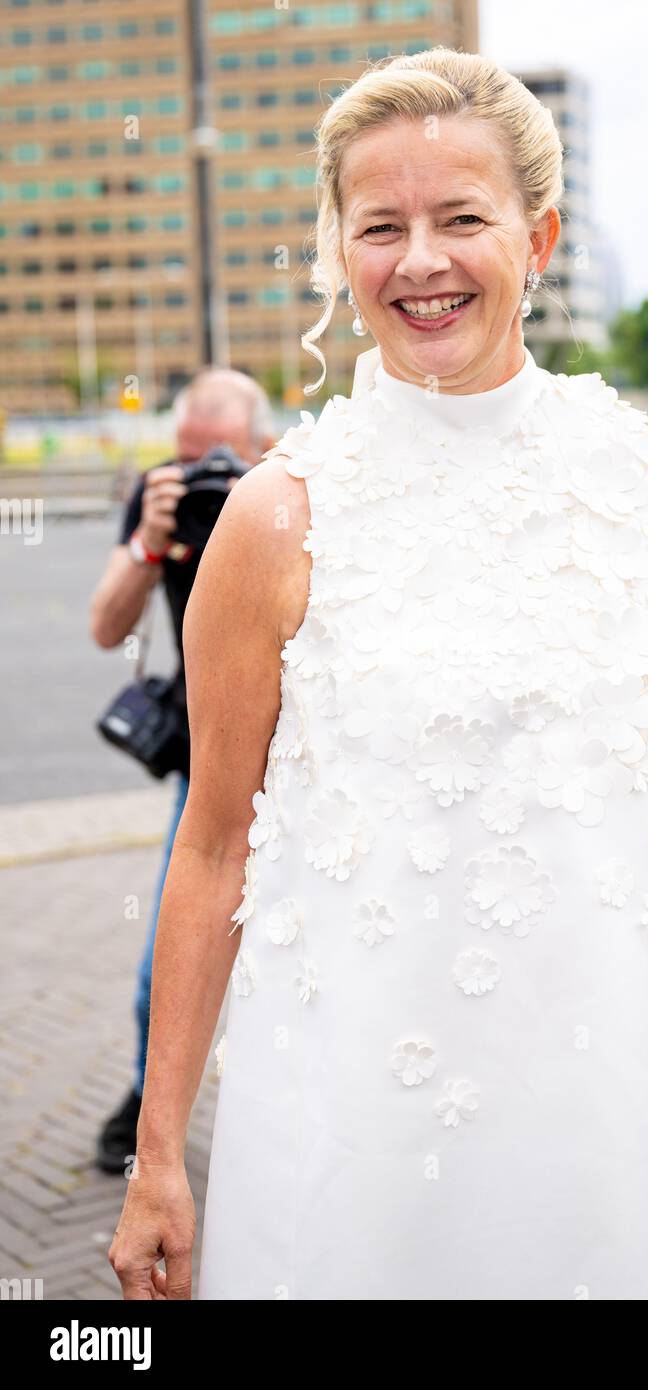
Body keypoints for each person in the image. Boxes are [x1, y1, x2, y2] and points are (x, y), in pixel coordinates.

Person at [108, 47, 648, 1300]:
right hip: (356, 1135)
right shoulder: (280, 516)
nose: (419, 261)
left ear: (538, 236)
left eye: (460, 218)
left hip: (624, 1109)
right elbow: (215, 844)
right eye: (379, 226)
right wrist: (157, 1151)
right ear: (340, 251)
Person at [89, 369, 275, 1174]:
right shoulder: (160, 500)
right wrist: (149, 541)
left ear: (262, 445)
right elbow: (105, 627)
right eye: (189, 458)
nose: (202, 476)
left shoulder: (291, 486)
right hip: (209, 759)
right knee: (170, 952)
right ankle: (144, 1102)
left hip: (308, 751)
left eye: (220, 460)